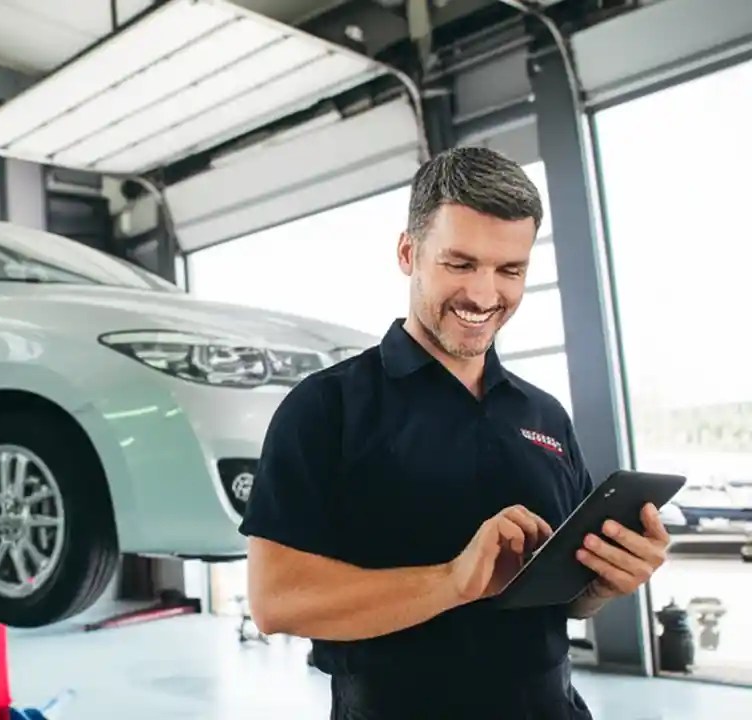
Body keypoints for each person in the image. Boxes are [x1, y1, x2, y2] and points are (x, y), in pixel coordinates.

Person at [240, 147, 671, 719]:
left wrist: (606, 581)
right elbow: (275, 603)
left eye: (509, 270)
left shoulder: (543, 416)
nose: (485, 295)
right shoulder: (326, 408)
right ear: (408, 252)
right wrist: (451, 582)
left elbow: (564, 602)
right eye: (460, 264)